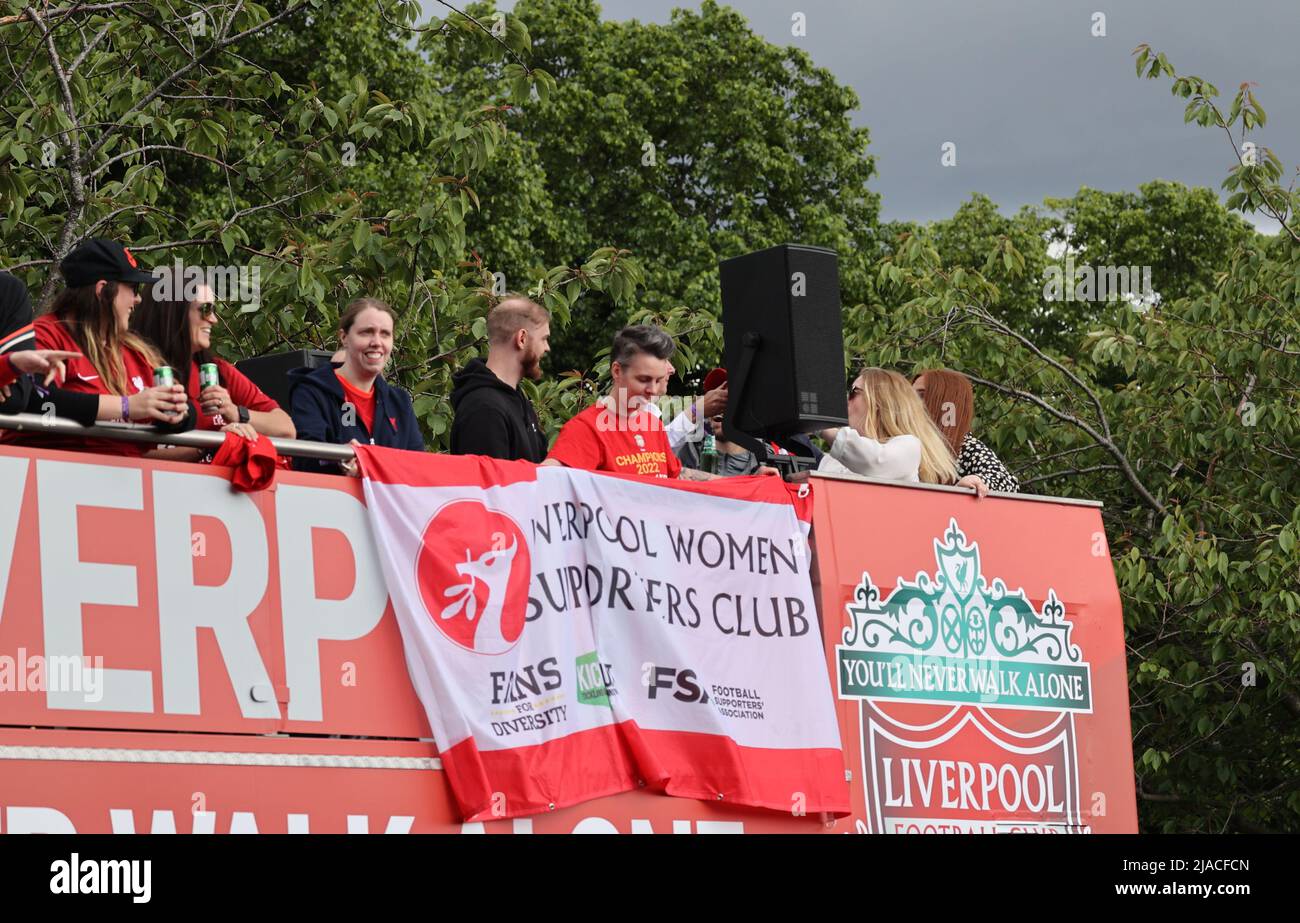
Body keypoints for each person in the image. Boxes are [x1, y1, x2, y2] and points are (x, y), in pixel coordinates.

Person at [25, 239, 192, 457]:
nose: (138, 299)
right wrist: (126, 406)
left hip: (128, 473)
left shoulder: (135, 350)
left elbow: (182, 418)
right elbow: (35, 399)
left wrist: (177, 414)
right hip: (53, 469)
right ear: (103, 290)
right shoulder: (47, 334)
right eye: (133, 288)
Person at [131, 268, 293, 456]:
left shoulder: (219, 371)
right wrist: (210, 445)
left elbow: (287, 429)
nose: (214, 319)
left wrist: (235, 413)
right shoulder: (131, 366)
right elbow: (124, 455)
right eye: (205, 309)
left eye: (213, 310)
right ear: (174, 311)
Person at [542, 325, 719, 480]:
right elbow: (546, 479)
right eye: (643, 379)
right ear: (617, 371)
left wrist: (731, 486)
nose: (653, 390)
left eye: (658, 380)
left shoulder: (653, 425)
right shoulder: (586, 428)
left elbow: (675, 474)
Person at [288, 297, 423, 475]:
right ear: (344, 337)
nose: (377, 342)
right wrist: (340, 461)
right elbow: (305, 461)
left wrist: (368, 463)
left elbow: (419, 466)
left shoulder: (399, 401)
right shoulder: (311, 392)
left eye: (385, 334)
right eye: (366, 332)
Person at [449, 296, 550, 462]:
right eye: (544, 338)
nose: (547, 348)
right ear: (522, 338)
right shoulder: (485, 409)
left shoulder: (518, 401)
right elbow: (489, 478)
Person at [817, 367, 958, 484]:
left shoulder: (908, 447)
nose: (846, 399)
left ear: (879, 402)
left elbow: (874, 461)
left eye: (854, 391)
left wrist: (820, 424)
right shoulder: (835, 459)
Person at [913, 368, 1019, 495]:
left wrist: (972, 484)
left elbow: (1006, 483)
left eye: (921, 395)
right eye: (909, 396)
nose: (910, 402)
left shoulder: (966, 447)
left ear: (944, 400)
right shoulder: (905, 443)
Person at [0, 271, 83, 412]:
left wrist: (9, 365)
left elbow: (14, 397)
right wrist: (123, 406)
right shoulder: (48, 331)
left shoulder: (8, 289)